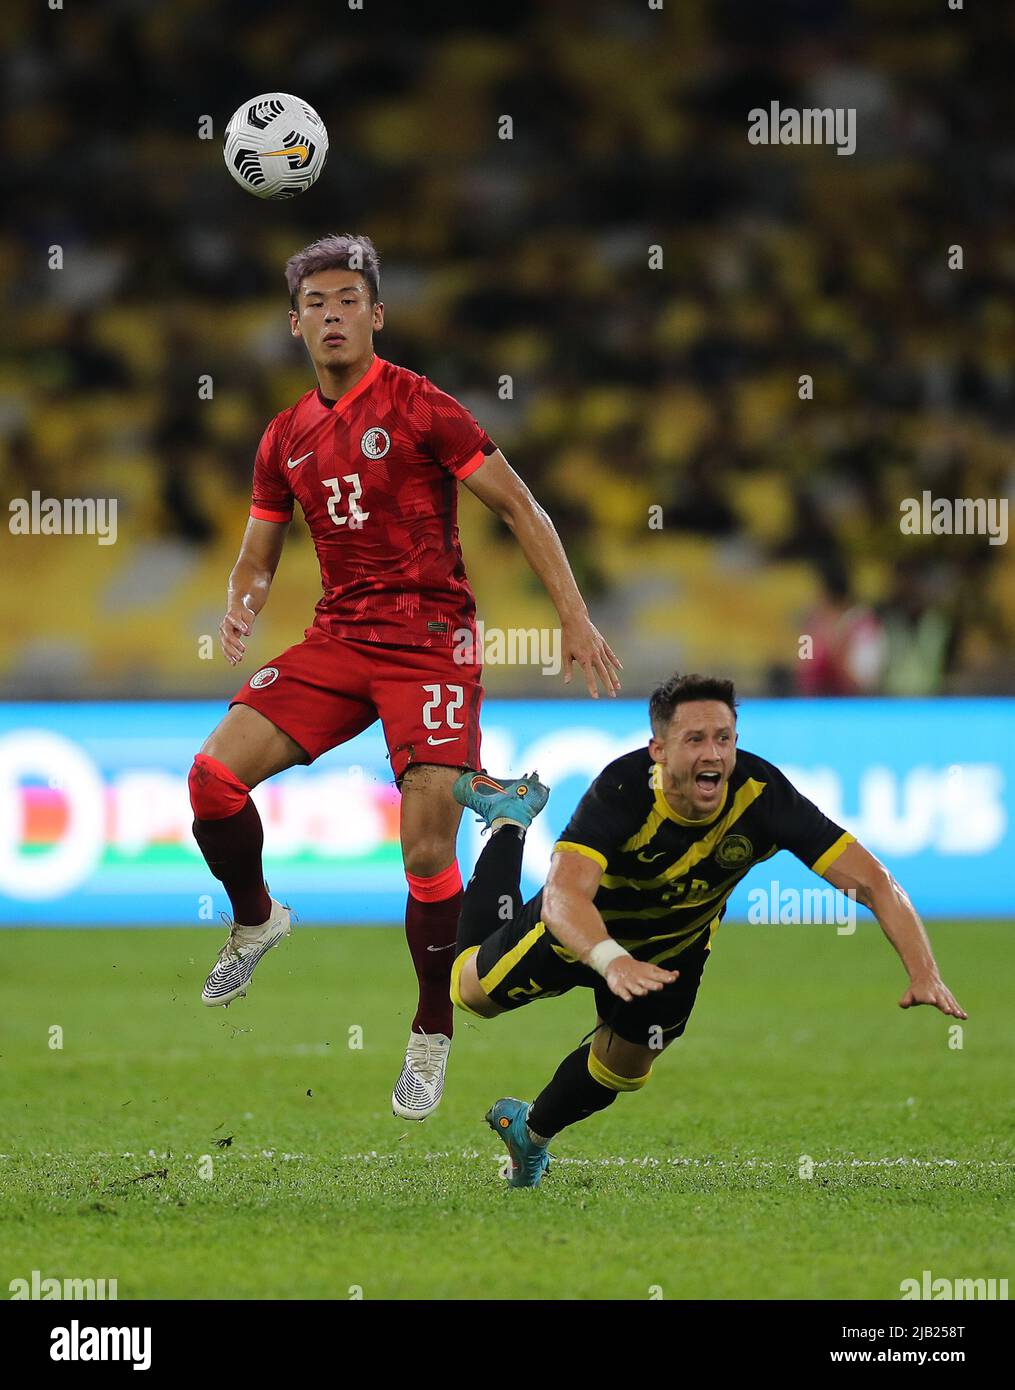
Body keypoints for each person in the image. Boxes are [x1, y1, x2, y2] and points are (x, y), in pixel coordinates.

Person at [187, 233, 621, 1121]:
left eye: (349, 300)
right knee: (211, 781)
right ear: (296, 323)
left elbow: (520, 505)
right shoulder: (284, 437)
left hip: (429, 643)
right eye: (316, 303)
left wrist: (573, 613)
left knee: (425, 853)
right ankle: (258, 916)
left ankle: (430, 1030)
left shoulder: (423, 407)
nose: (333, 315)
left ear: (376, 316)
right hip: (339, 639)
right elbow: (258, 552)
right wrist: (242, 604)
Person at [450, 673, 966, 1186]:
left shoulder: (763, 797)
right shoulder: (622, 789)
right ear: (659, 748)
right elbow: (564, 897)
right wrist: (611, 959)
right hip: (581, 934)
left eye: (723, 738)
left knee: (623, 1069)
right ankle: (509, 819)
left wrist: (925, 972)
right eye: (695, 739)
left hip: (673, 953)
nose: (713, 754)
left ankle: (531, 1134)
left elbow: (875, 882)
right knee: (469, 993)